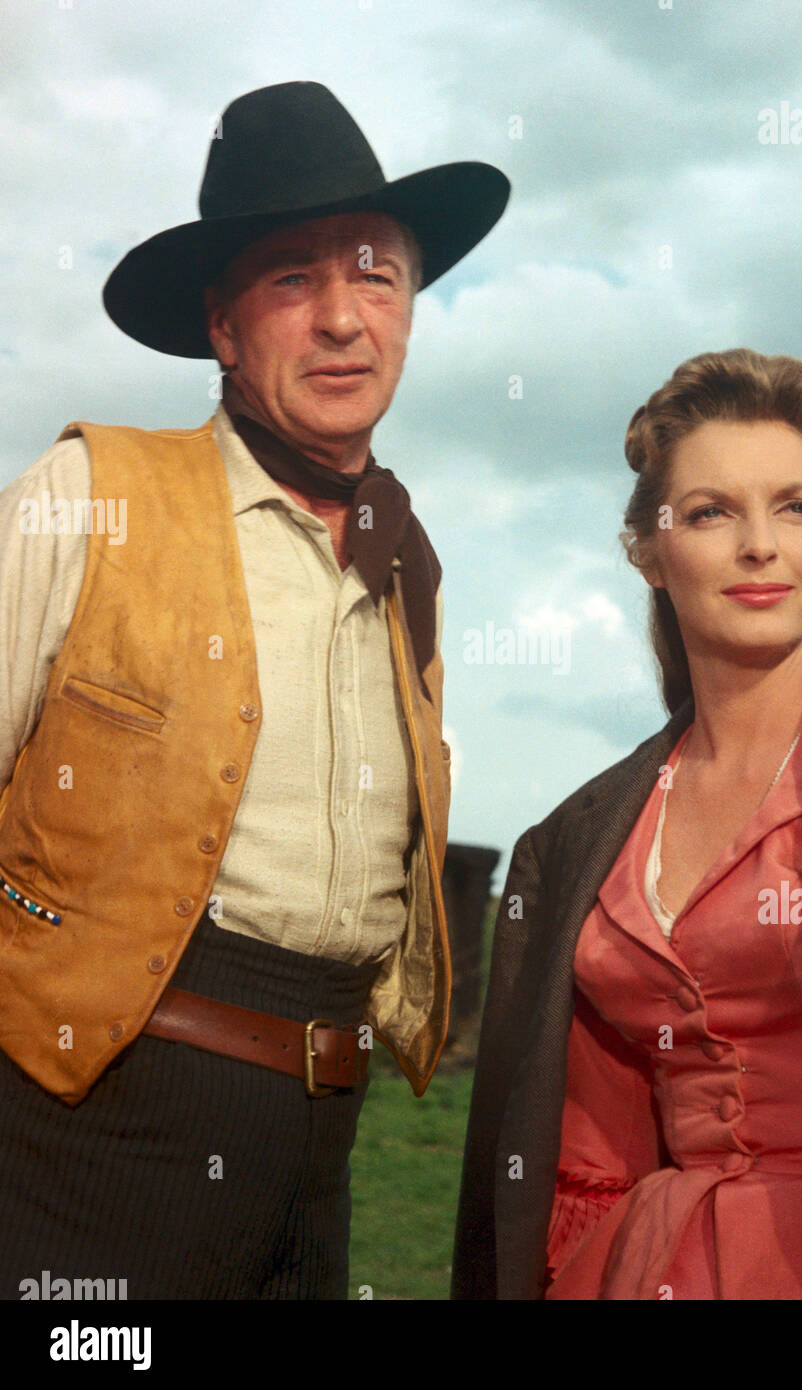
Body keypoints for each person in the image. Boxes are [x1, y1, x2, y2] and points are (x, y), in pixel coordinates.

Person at [0, 80, 508, 1299]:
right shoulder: (88, 493)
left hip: (317, 1154)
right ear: (224, 328)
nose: (343, 317)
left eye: (375, 274)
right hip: (81, 1135)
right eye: (292, 278)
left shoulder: (407, 567)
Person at [452, 348, 802, 1300]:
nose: (760, 544)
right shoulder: (571, 843)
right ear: (647, 547)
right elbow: (566, 1165)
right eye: (713, 511)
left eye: (796, 507)